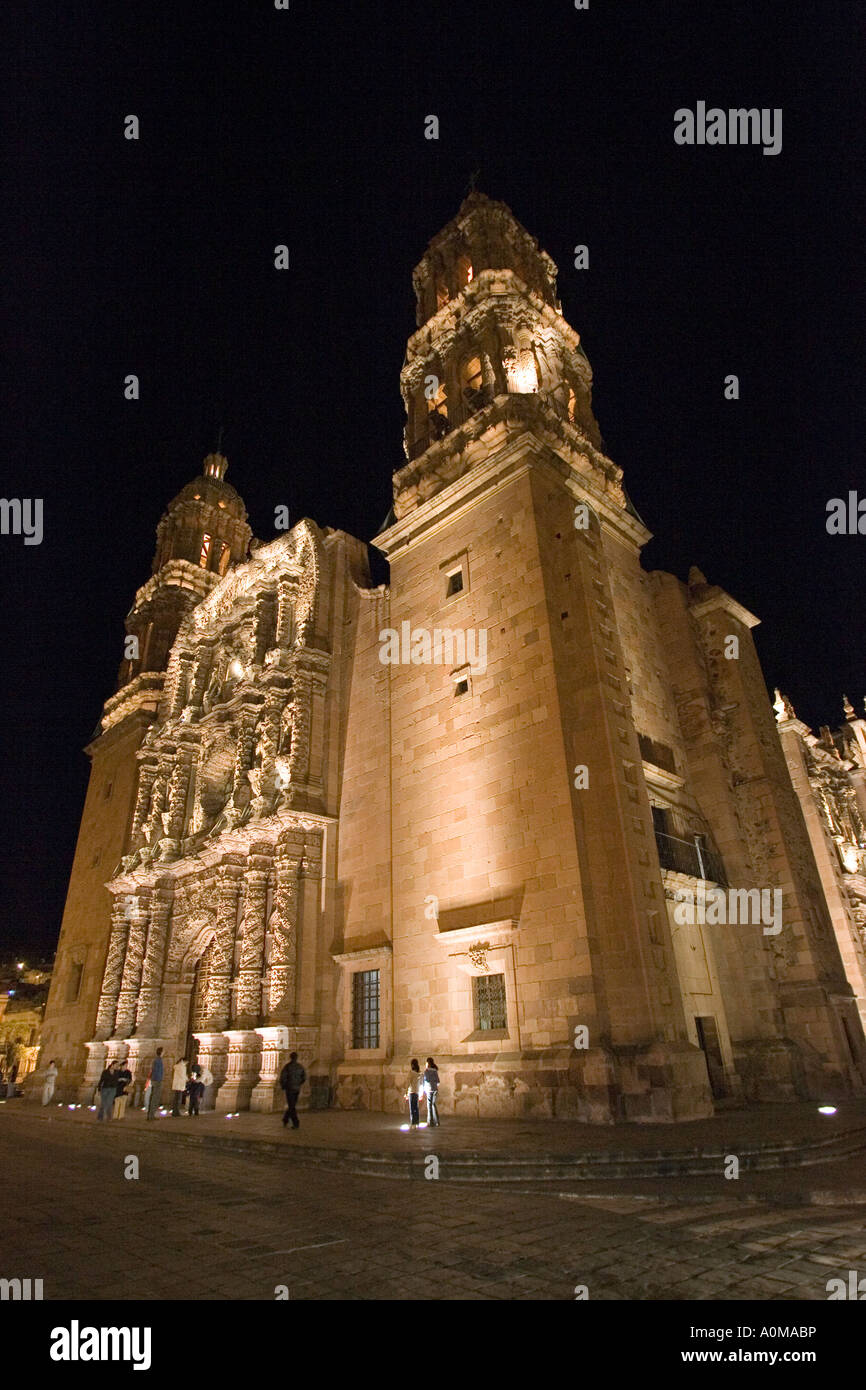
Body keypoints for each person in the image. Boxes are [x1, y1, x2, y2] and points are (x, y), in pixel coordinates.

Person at [279, 1051, 306, 1130]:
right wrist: (299, 1083)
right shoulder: (300, 1067)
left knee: (291, 1106)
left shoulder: (287, 1067)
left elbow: (283, 1077)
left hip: (289, 1088)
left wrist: (283, 1086)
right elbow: (303, 1077)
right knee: (292, 1105)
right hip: (296, 1088)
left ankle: (295, 1122)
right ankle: (286, 1119)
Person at [146, 1047, 164, 1120]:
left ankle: (151, 1114)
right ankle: (151, 1115)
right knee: (155, 1098)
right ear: (161, 1052)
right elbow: (156, 1071)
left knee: (155, 1097)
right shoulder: (158, 1060)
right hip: (157, 1081)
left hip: (156, 1080)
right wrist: (157, 1080)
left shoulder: (157, 1060)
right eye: (163, 1051)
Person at [423, 1057, 440, 1127]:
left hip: (429, 1089)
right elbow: (438, 1081)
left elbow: (426, 1080)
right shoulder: (435, 1071)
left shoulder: (427, 1071)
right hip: (435, 1089)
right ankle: (437, 1121)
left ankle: (430, 1121)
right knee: (433, 1104)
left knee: (429, 1105)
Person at [406, 1059, 422, 1129]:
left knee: (412, 1109)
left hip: (412, 1092)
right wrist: (421, 1093)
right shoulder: (420, 1073)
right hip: (417, 1092)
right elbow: (421, 1084)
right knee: (416, 1108)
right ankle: (417, 1122)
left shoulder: (411, 1073)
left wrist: (406, 1092)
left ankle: (413, 1123)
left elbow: (408, 1083)